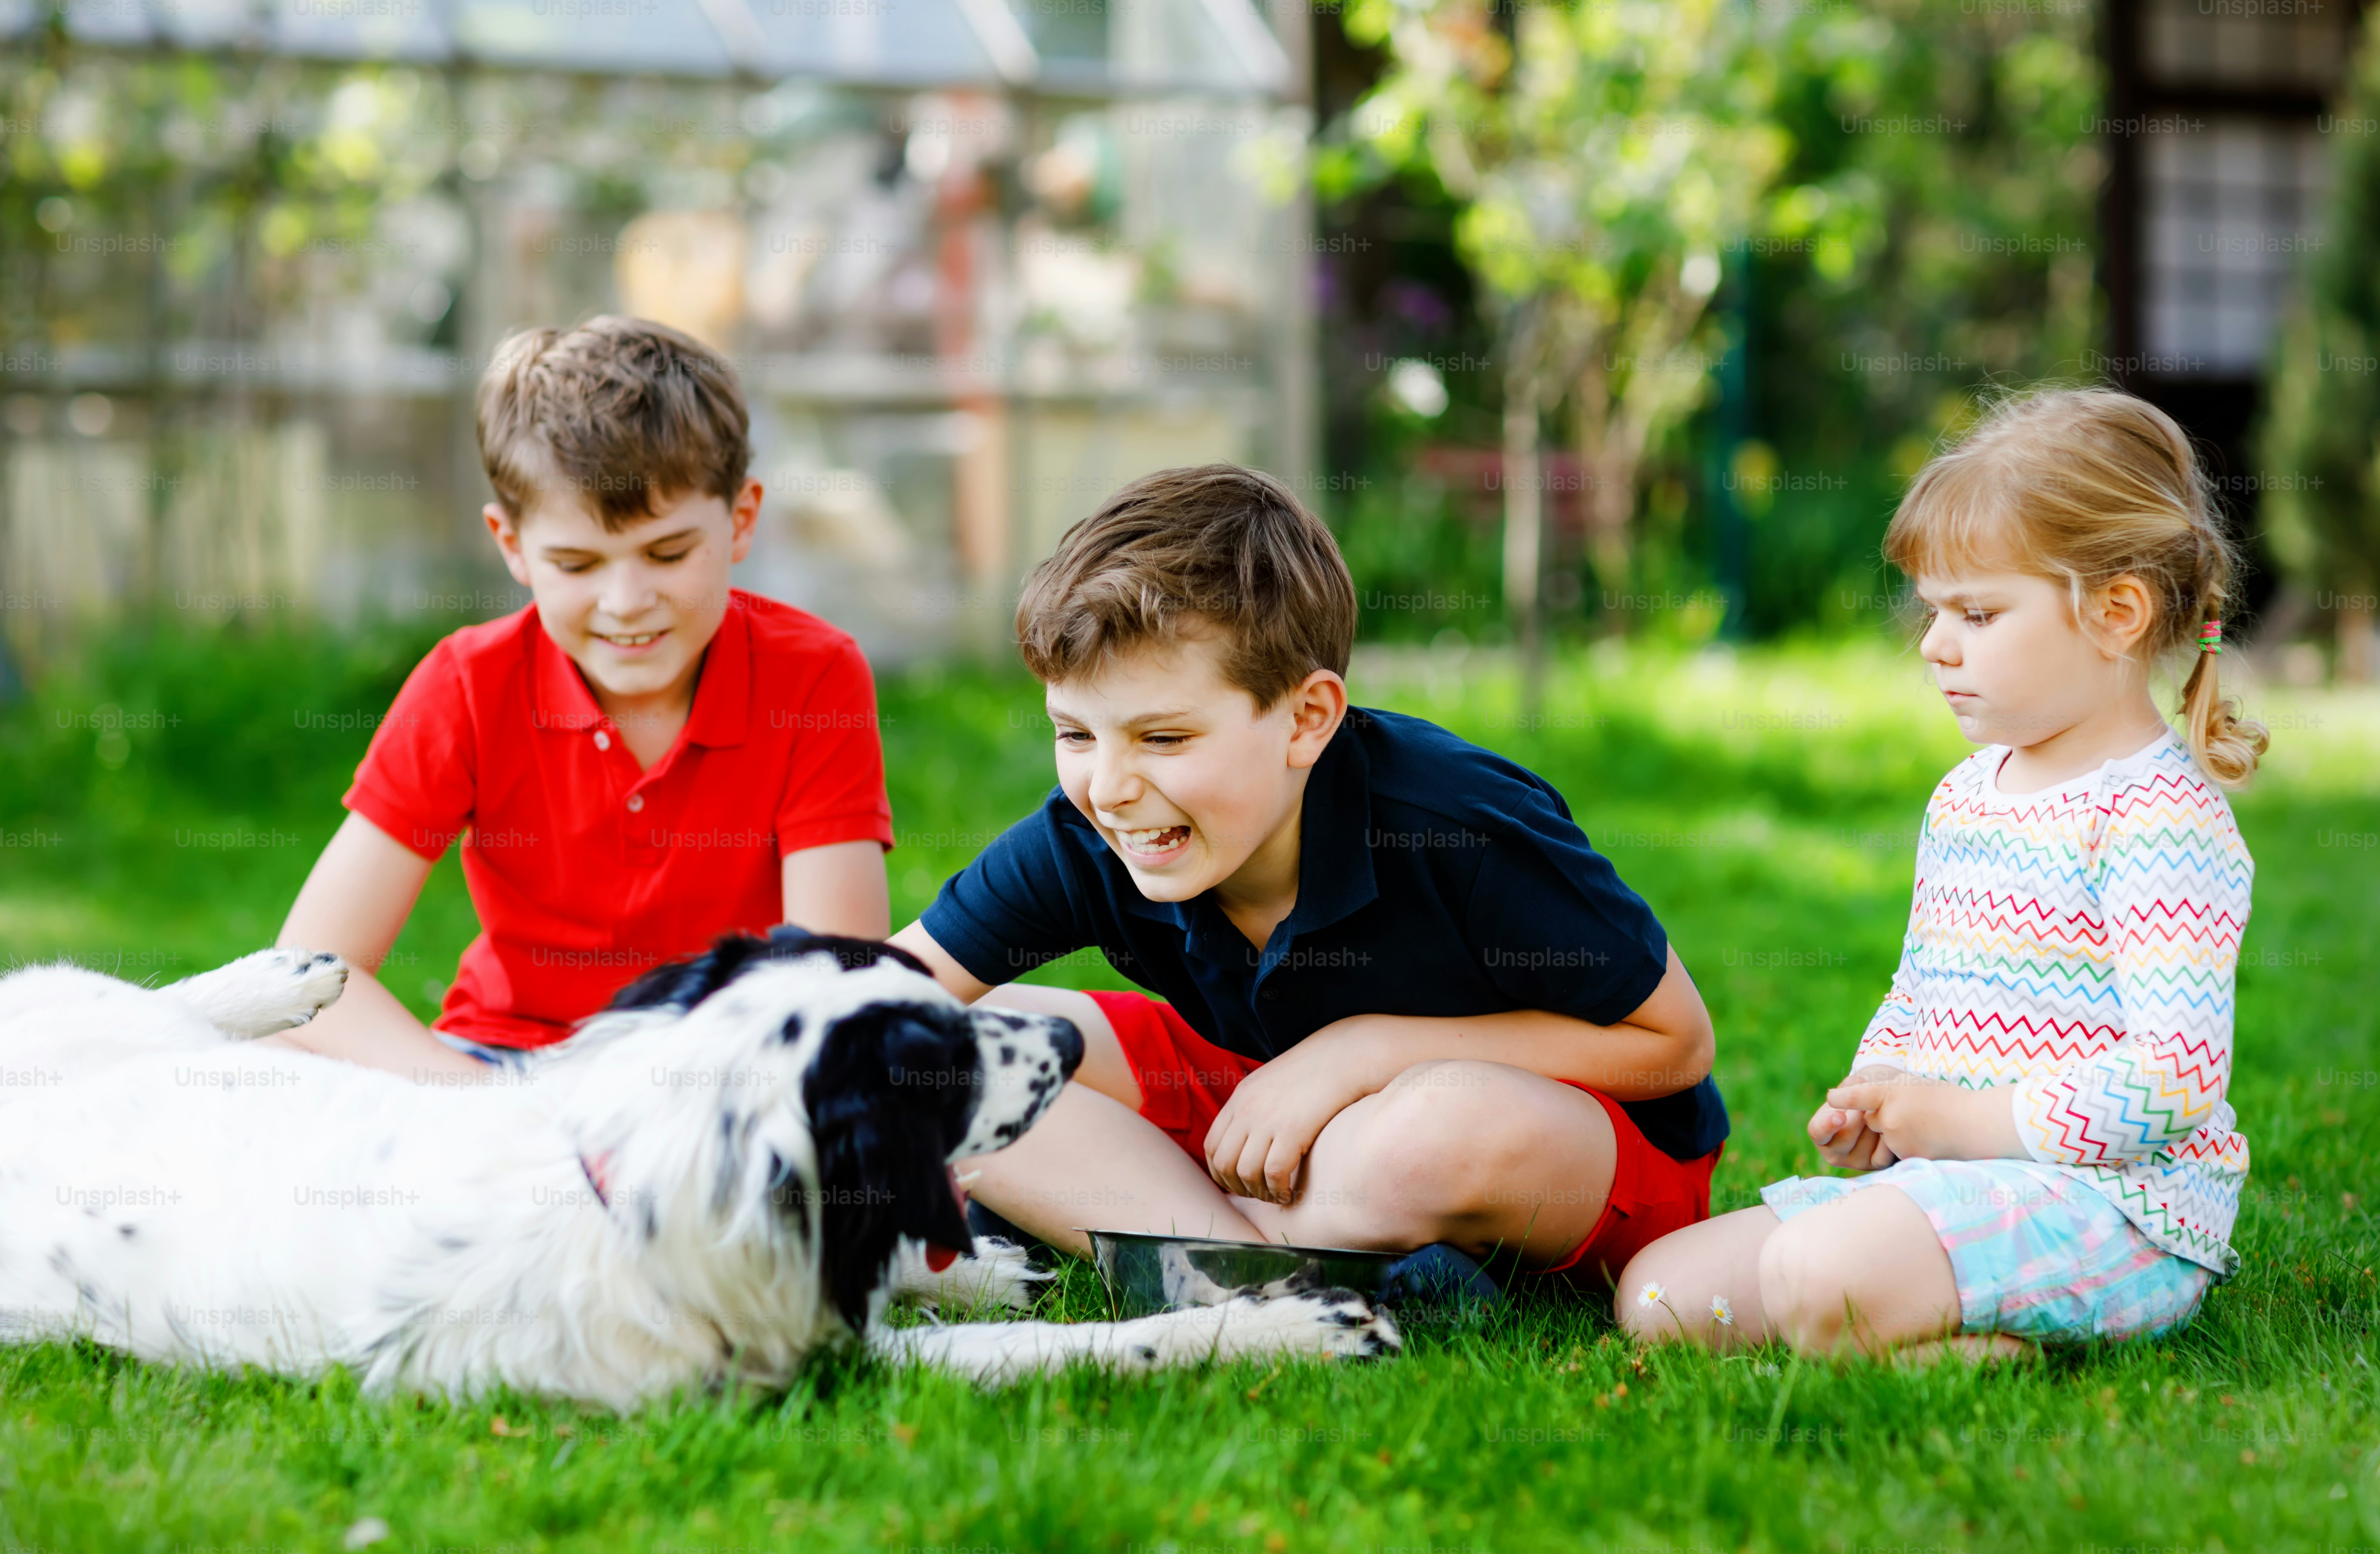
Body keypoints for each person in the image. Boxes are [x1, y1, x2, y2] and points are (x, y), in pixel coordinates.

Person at [885, 465, 1729, 1289]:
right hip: (1262, 1102)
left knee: (1432, 1127)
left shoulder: (1454, 822)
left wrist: (1368, 1051)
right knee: (929, 1040)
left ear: (1308, 718)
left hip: (1576, 1151)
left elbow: (1676, 1046)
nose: (1109, 787)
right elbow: (864, 993)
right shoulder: (1095, 833)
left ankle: (1135, 1228)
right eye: (1075, 735)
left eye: (1164, 738)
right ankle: (1253, 1278)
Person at [1618, 388, 2264, 1359]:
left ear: (2116, 613)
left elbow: (2175, 1079)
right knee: (1662, 1298)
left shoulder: (2158, 817)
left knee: (1813, 1278)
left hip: (2114, 1211)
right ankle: (1909, 1318)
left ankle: (1980, 1344)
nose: (1935, 644)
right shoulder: (1968, 794)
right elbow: (1920, 988)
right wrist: (1882, 1084)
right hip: (1953, 1182)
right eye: (1933, 612)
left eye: (1978, 611)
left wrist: (1963, 1120)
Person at [271, 317, 892, 1078]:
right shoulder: (467, 685)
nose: (627, 601)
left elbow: (833, 986)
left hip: (730, 1074)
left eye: (667, 553)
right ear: (511, 544)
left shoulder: (815, 675)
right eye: (576, 563)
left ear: (741, 521)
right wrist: (497, 1109)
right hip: (501, 1065)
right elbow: (308, 980)